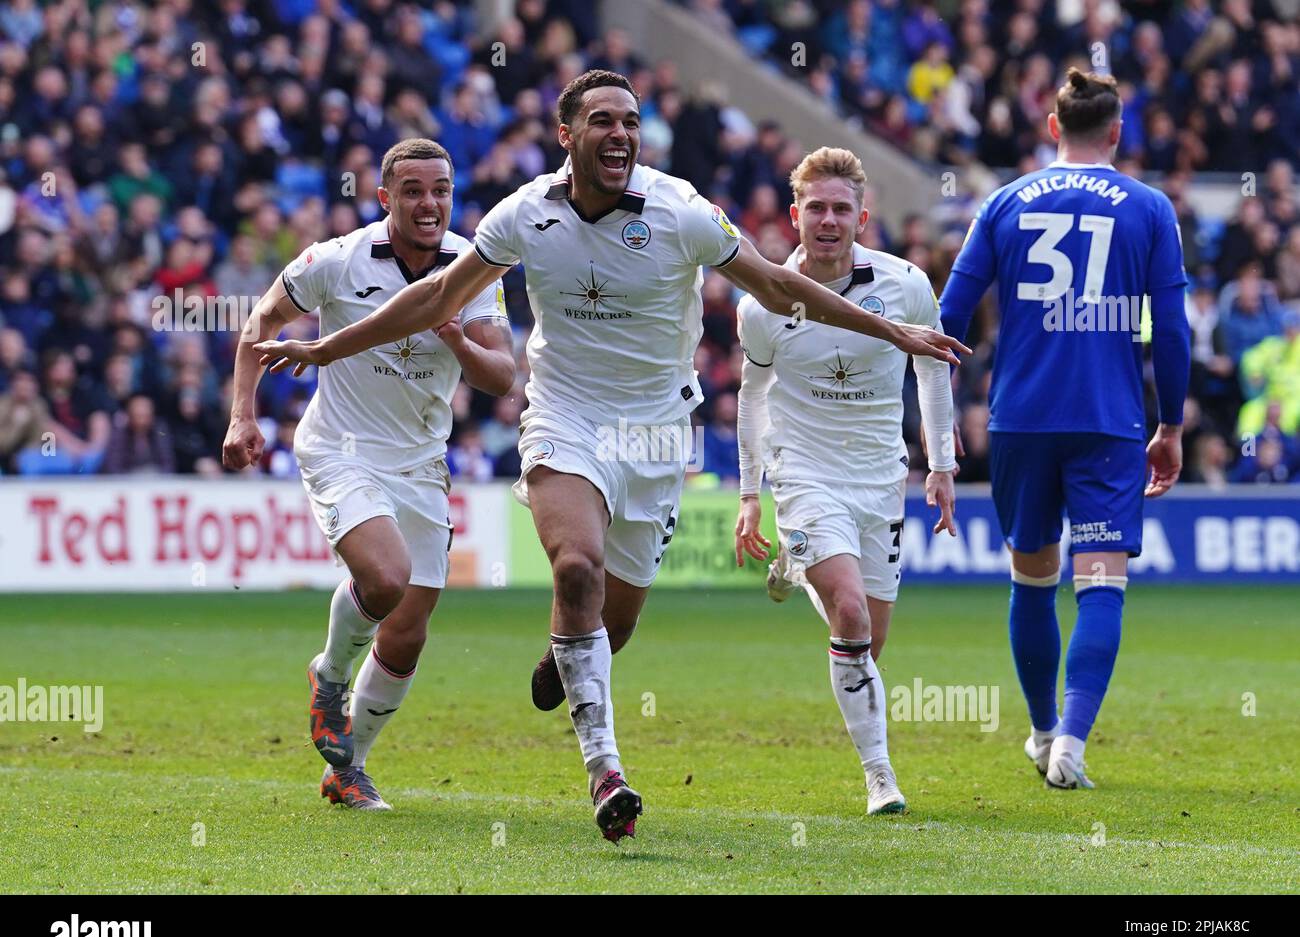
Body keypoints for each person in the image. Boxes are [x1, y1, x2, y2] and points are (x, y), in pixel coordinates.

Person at [254, 70, 969, 842]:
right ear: (568, 136)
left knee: (613, 623)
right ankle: (606, 770)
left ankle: (562, 656)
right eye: (602, 120)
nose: (621, 133)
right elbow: (434, 299)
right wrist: (330, 346)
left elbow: (773, 284)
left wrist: (892, 330)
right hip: (565, 416)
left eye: (630, 120)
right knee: (575, 570)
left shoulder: (680, 210)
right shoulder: (526, 214)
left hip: (657, 435)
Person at [222, 138, 514, 810]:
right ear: (384, 197)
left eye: (439, 190)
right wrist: (243, 416)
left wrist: (456, 338)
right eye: (412, 190)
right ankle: (328, 674)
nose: (429, 203)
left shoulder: (473, 268)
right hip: (342, 446)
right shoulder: (336, 259)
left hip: (420, 460)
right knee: (384, 578)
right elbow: (260, 323)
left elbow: (502, 378)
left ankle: (348, 767)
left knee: (409, 627)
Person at [938, 70, 1191, 789]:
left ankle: (1043, 727)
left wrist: (941, 412)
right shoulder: (1149, 208)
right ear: (1116, 131)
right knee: (1102, 585)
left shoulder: (1003, 202)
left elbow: (948, 321)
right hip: (1109, 421)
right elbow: (1168, 331)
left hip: (1020, 418)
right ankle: (1073, 743)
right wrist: (1170, 422)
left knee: (1032, 582)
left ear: (1054, 128)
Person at [733, 147, 958, 816]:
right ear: (795, 214)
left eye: (841, 209)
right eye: (816, 209)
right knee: (851, 614)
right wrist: (751, 492)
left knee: (867, 642)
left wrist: (940, 462)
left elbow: (934, 368)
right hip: (801, 472)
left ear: (862, 217)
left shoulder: (906, 283)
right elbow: (752, 392)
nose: (828, 221)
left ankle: (796, 564)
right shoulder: (765, 301)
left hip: (878, 478)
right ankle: (880, 778)